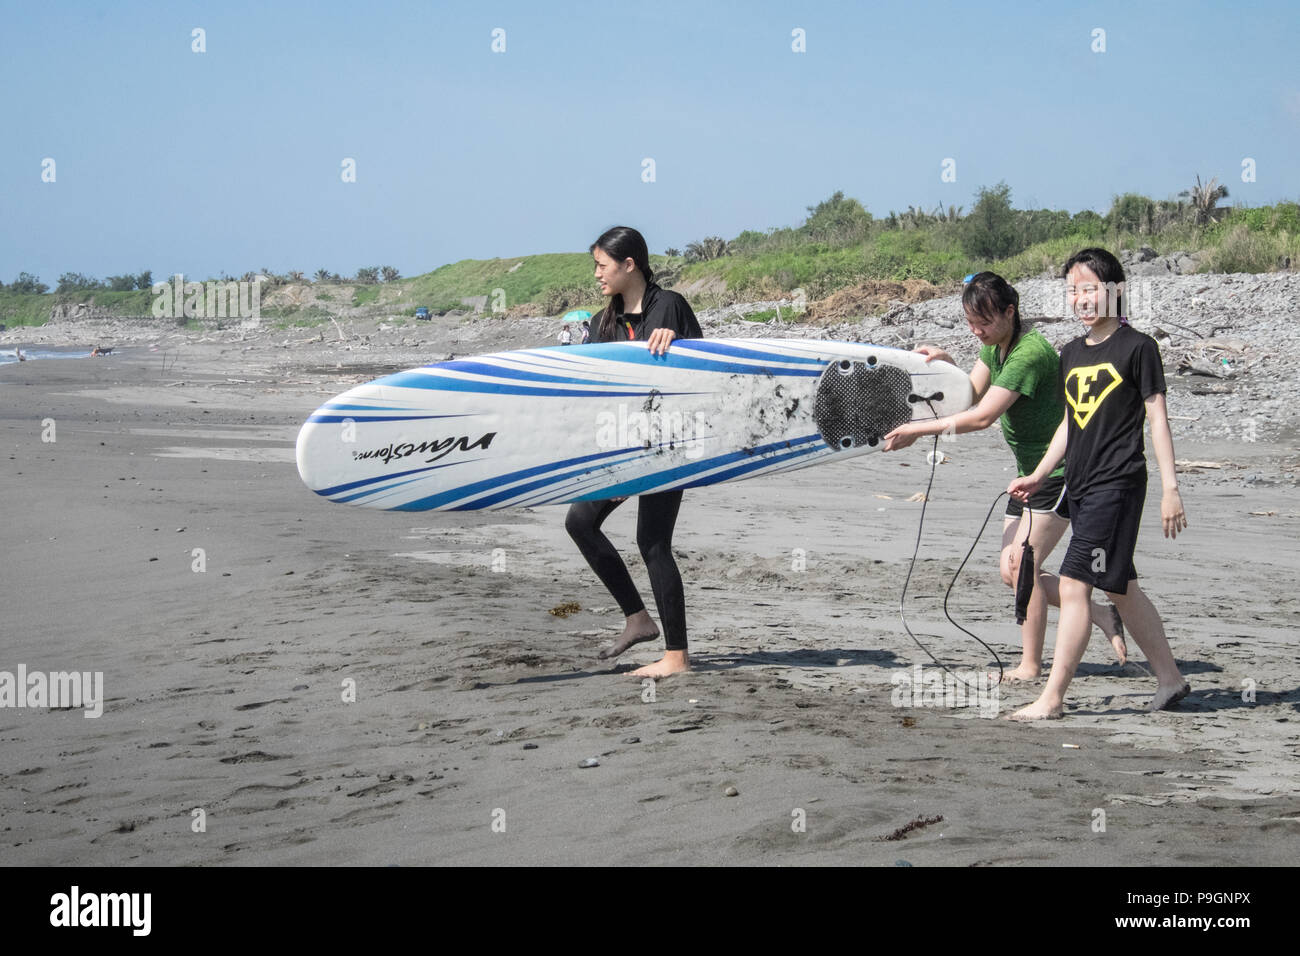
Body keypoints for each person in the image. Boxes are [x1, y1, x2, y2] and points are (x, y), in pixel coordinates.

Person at [883, 272, 1126, 681]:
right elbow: (972, 394)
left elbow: (982, 417)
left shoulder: (1028, 353)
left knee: (1023, 564)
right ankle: (1100, 613)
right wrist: (948, 365)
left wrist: (916, 430)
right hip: (1028, 471)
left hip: (1059, 469)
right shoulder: (995, 346)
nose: (977, 331)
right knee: (1009, 570)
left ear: (1010, 312)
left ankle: (1030, 665)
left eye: (984, 322)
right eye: (970, 323)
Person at [1008, 247, 1189, 719]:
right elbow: (1070, 423)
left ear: (1115, 291)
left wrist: (1171, 489)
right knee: (1121, 587)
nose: (1081, 299)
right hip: (1080, 486)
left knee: (1073, 584)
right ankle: (1170, 679)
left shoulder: (1138, 347)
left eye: (1089, 289)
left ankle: (1052, 699)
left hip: (1118, 484)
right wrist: (1040, 474)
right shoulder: (1070, 353)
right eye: (1073, 291)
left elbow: (1157, 418)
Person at [565, 226, 702, 678]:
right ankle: (638, 619)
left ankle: (677, 657)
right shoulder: (601, 323)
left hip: (668, 442)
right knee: (580, 522)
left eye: (602, 265)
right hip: (622, 441)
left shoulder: (670, 305)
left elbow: (704, 369)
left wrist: (676, 345)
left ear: (629, 264)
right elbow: (588, 383)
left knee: (653, 542)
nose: (597, 275)